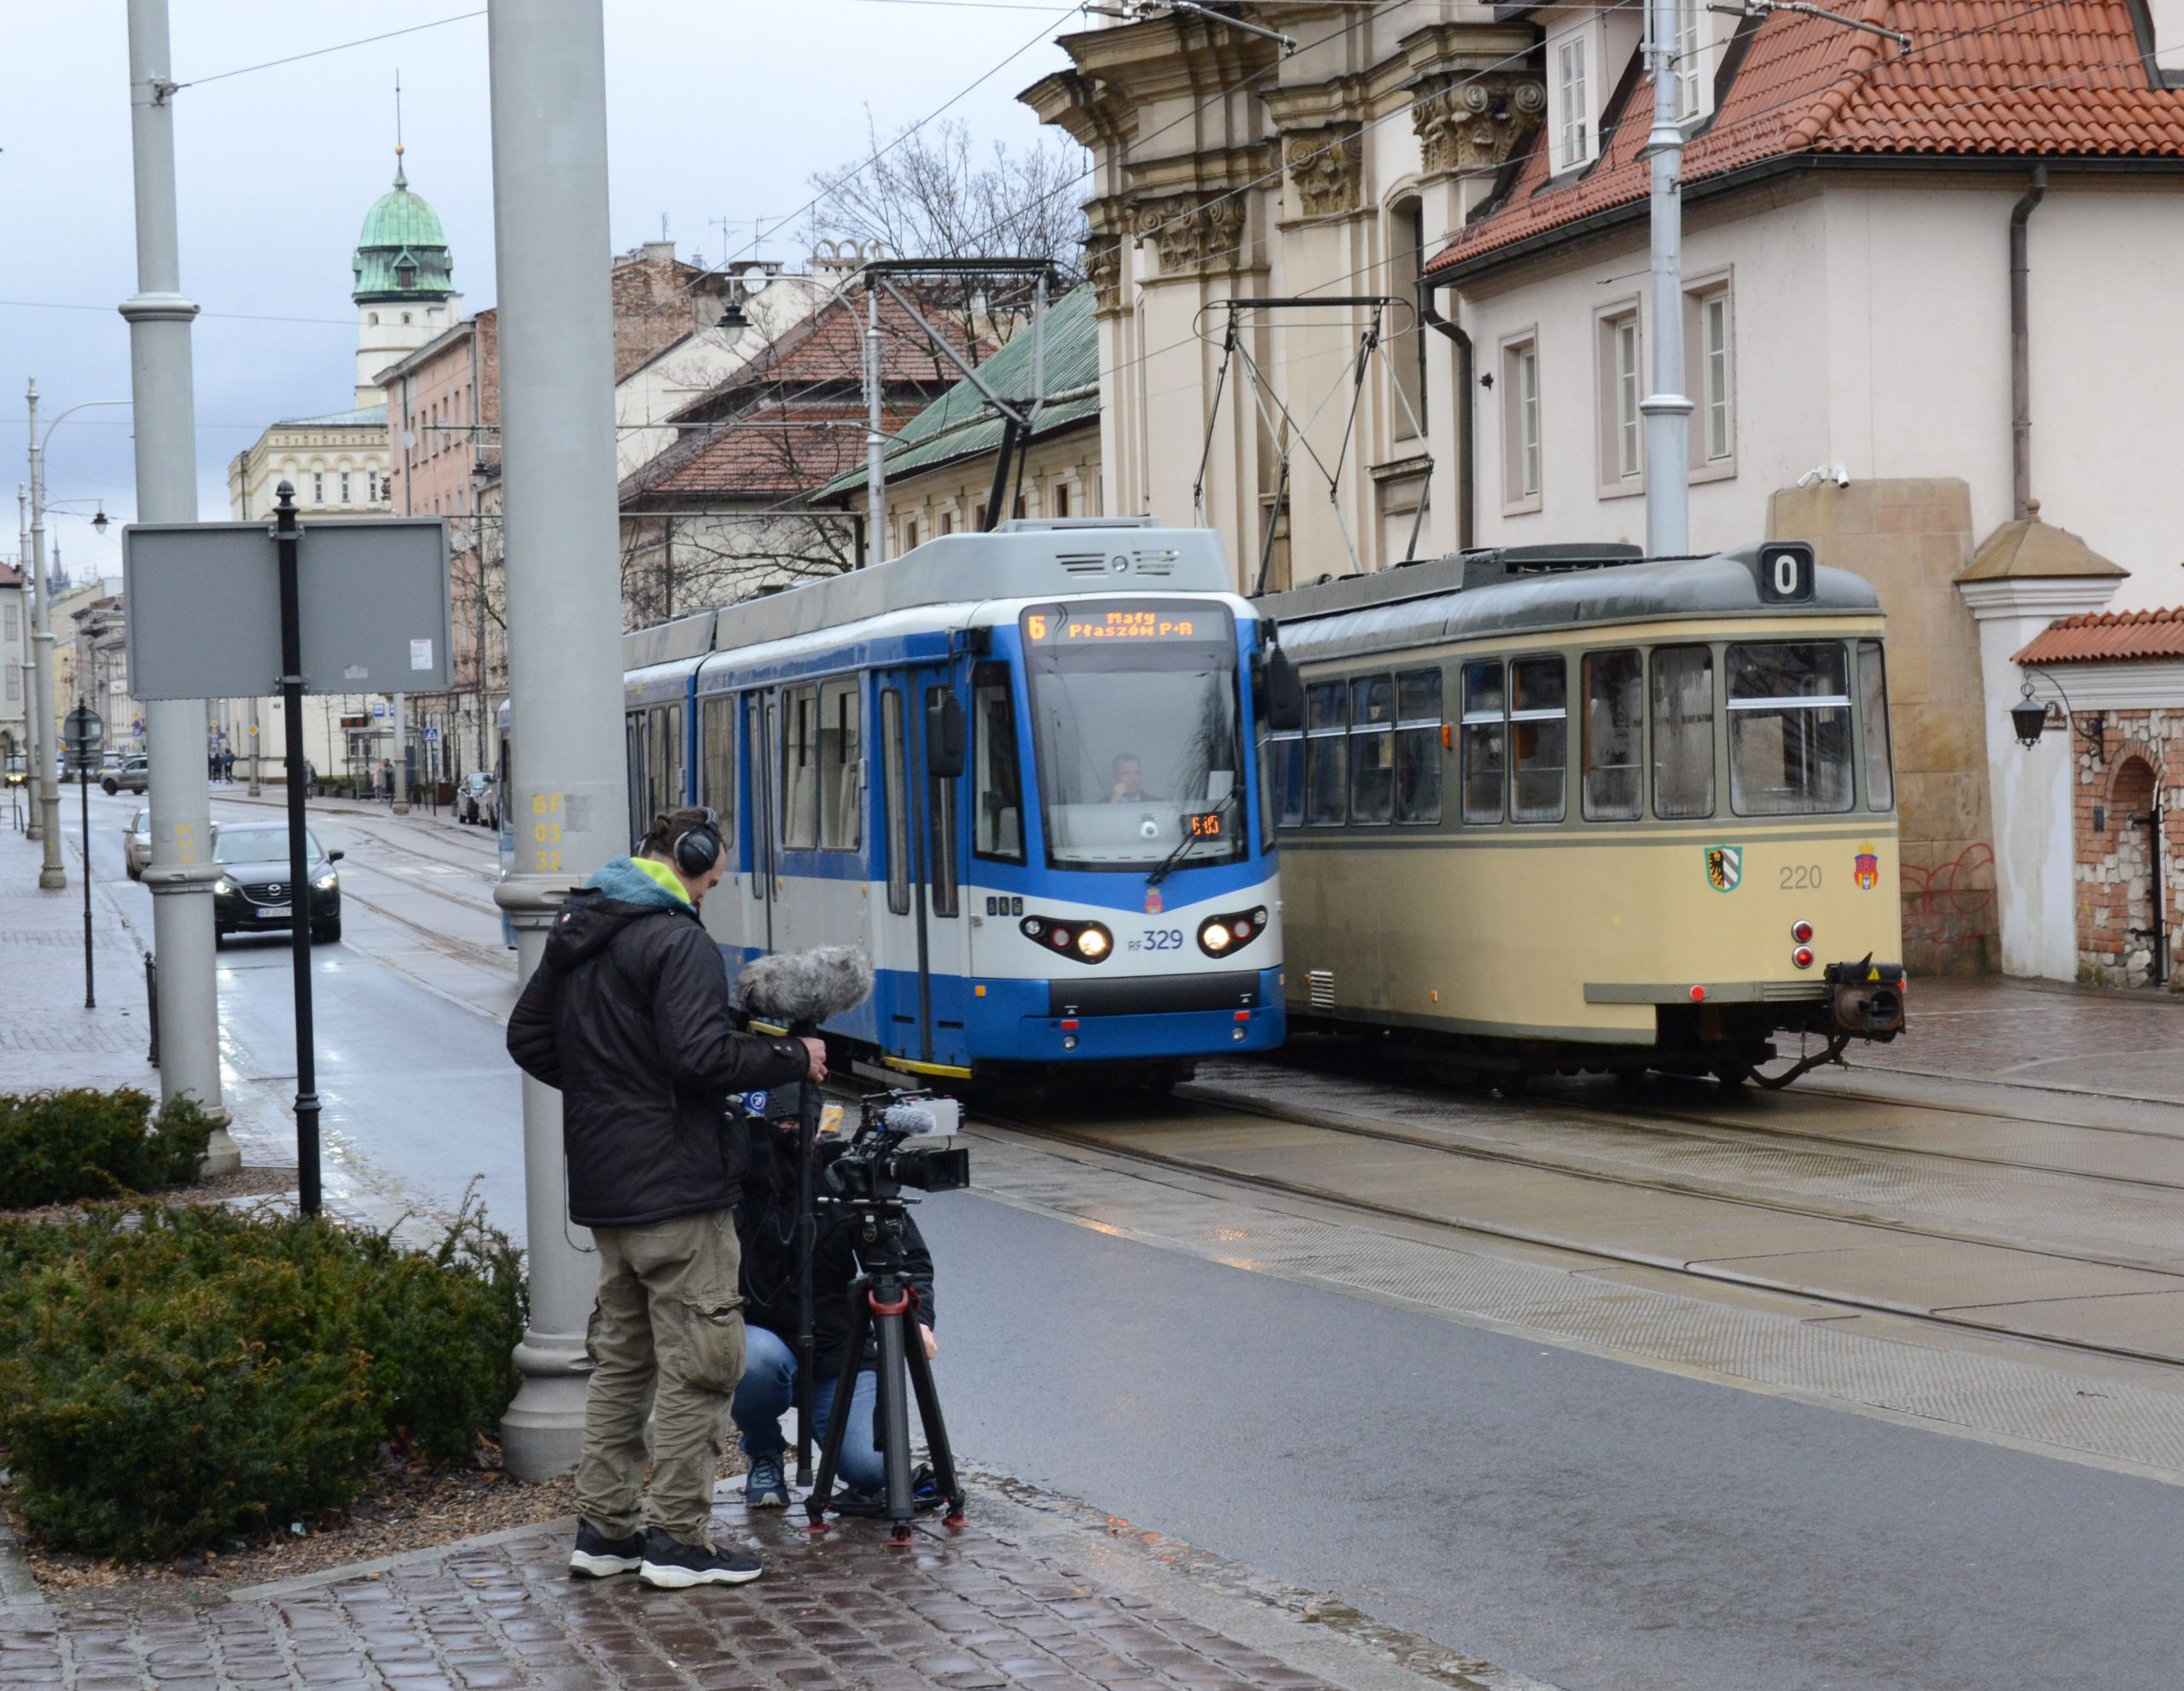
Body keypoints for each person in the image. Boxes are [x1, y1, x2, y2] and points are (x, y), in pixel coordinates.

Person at [506, 805, 823, 1589]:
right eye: (714, 875)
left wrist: (612, 1094)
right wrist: (793, 1056)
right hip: (678, 1190)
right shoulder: (677, 940)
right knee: (701, 1367)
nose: (713, 887)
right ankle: (679, 1540)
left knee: (622, 1365)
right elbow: (699, 1057)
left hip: (609, 1193)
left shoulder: (581, 926)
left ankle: (605, 1531)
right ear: (693, 854)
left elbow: (529, 1039)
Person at [729, 1116, 938, 1511]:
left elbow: (909, 1259)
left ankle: (831, 1428)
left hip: (837, 1347)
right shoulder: (736, 1171)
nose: (792, 1131)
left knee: (871, 1471)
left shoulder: (843, 1170)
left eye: (799, 1121)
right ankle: (764, 1452)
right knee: (754, 1360)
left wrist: (920, 1320)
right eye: (782, 1121)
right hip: (764, 1335)